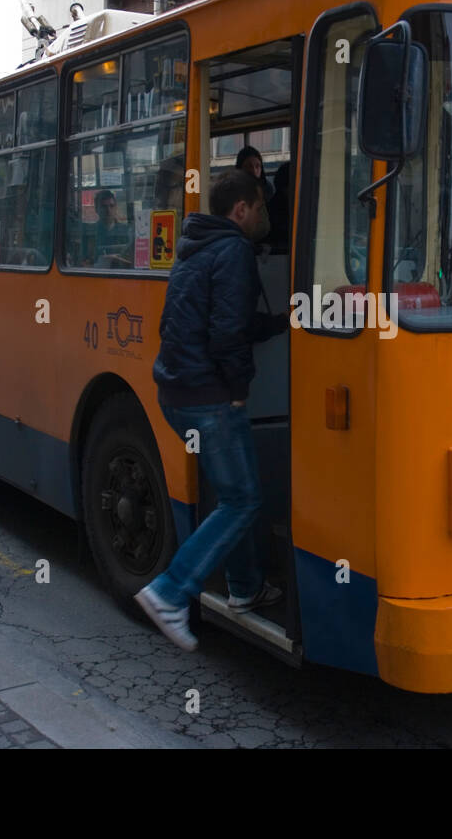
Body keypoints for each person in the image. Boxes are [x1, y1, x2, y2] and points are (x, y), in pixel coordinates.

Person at [137, 170, 290, 651]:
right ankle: (169, 592)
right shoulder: (235, 251)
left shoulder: (195, 246)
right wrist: (239, 388)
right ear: (241, 210)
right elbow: (228, 332)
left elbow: (216, 319)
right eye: (261, 208)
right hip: (209, 398)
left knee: (232, 496)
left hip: (176, 394)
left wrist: (281, 321)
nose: (265, 216)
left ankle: (244, 588)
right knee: (243, 500)